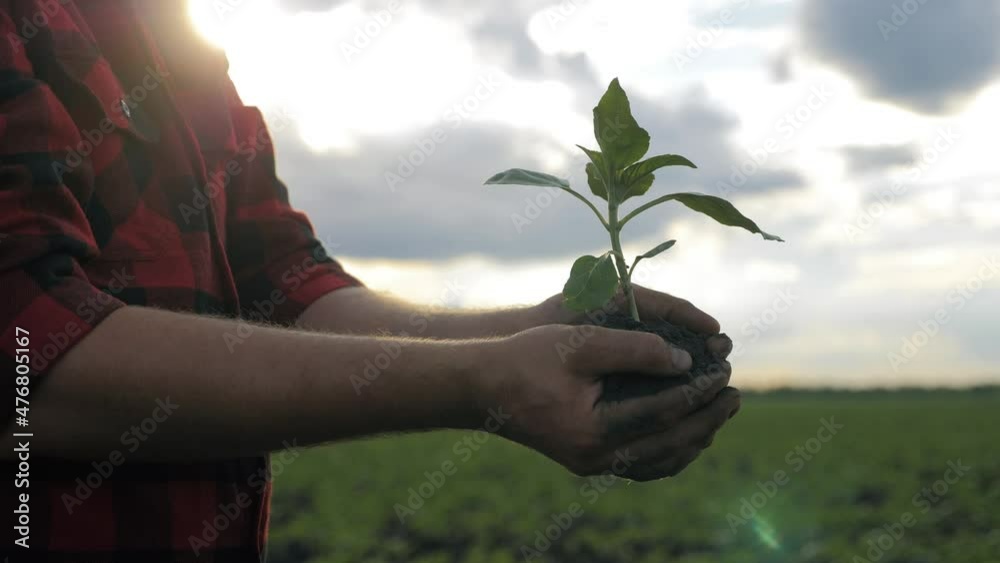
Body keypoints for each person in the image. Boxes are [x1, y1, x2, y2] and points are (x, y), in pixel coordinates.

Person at [0, 1, 740, 560]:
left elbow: (291, 286)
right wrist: (483, 380)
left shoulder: (181, 45)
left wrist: (532, 329)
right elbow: (30, 357)